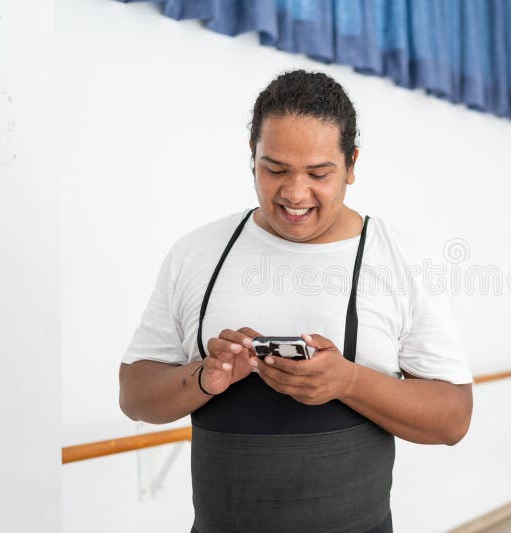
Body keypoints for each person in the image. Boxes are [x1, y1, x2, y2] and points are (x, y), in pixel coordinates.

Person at [118, 70, 474, 533]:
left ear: (351, 165)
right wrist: (204, 376)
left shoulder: (400, 259)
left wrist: (347, 381)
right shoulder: (196, 253)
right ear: (252, 157)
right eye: (275, 169)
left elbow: (453, 419)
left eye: (319, 173)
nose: (295, 193)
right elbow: (134, 395)